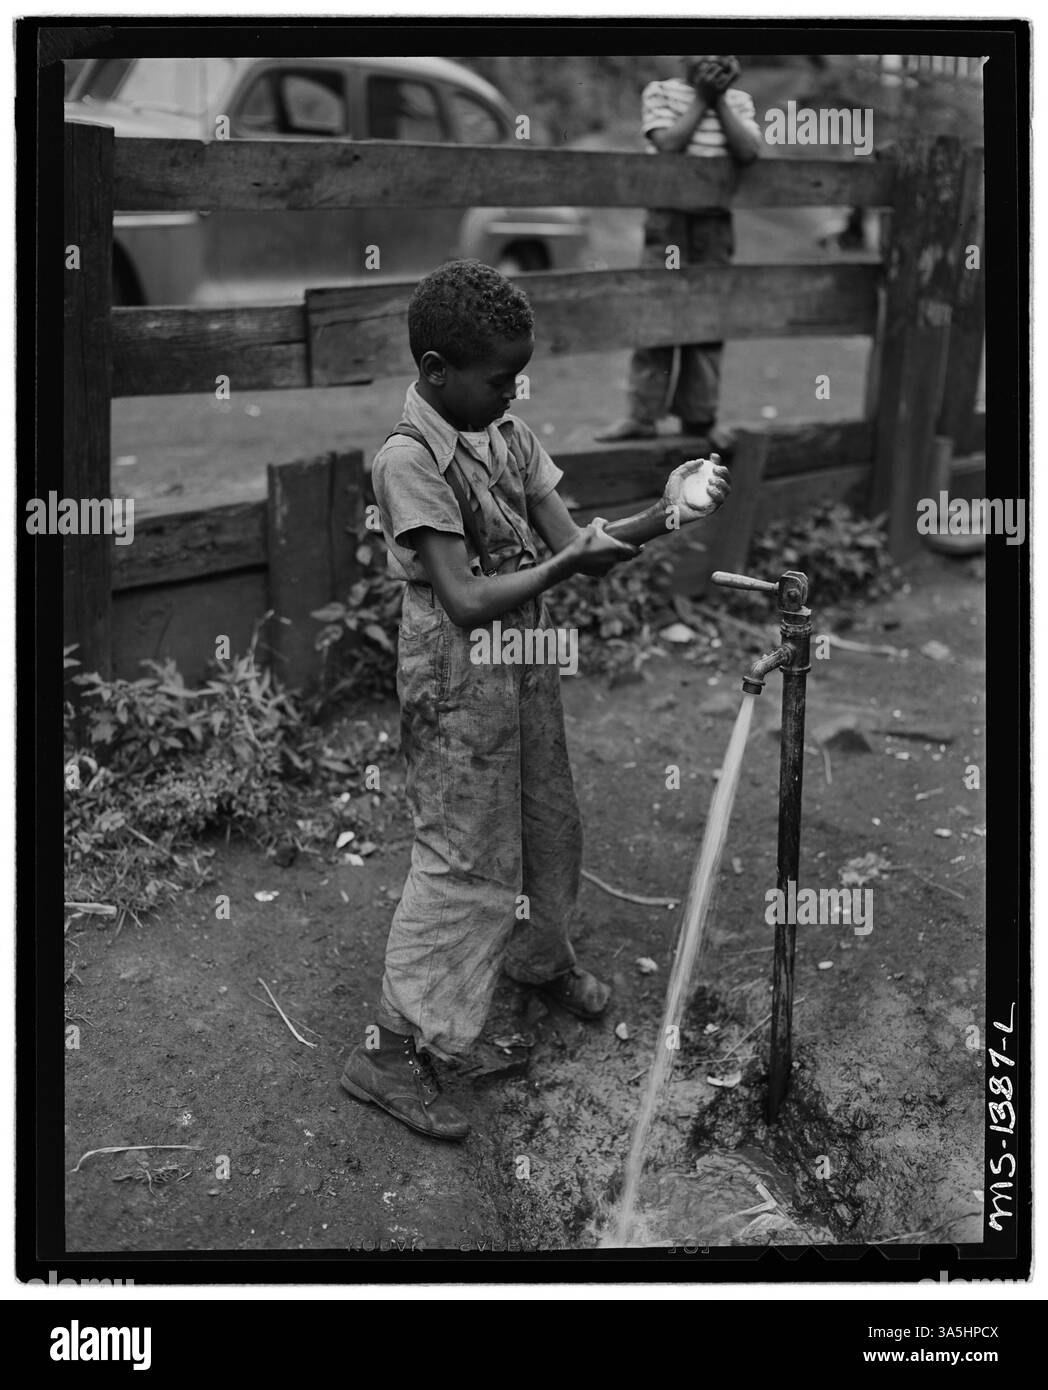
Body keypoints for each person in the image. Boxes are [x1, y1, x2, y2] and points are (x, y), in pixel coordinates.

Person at [340, 260, 730, 1140]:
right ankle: (391, 1054)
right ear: (437, 370)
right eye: (498, 376)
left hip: (522, 662)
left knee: (549, 818)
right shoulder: (407, 462)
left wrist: (669, 512)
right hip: (455, 672)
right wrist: (564, 566)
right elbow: (466, 598)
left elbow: (575, 539)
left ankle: (536, 956)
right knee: (462, 859)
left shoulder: (506, 434)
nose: (514, 387)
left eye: (520, 372)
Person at [596, 55, 763, 445]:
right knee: (656, 313)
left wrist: (719, 100)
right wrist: (702, 99)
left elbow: (748, 151)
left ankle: (700, 418)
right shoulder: (661, 93)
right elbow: (668, 143)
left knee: (707, 318)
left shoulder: (739, 102)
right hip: (667, 220)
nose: (711, 58)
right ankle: (642, 415)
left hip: (714, 224)